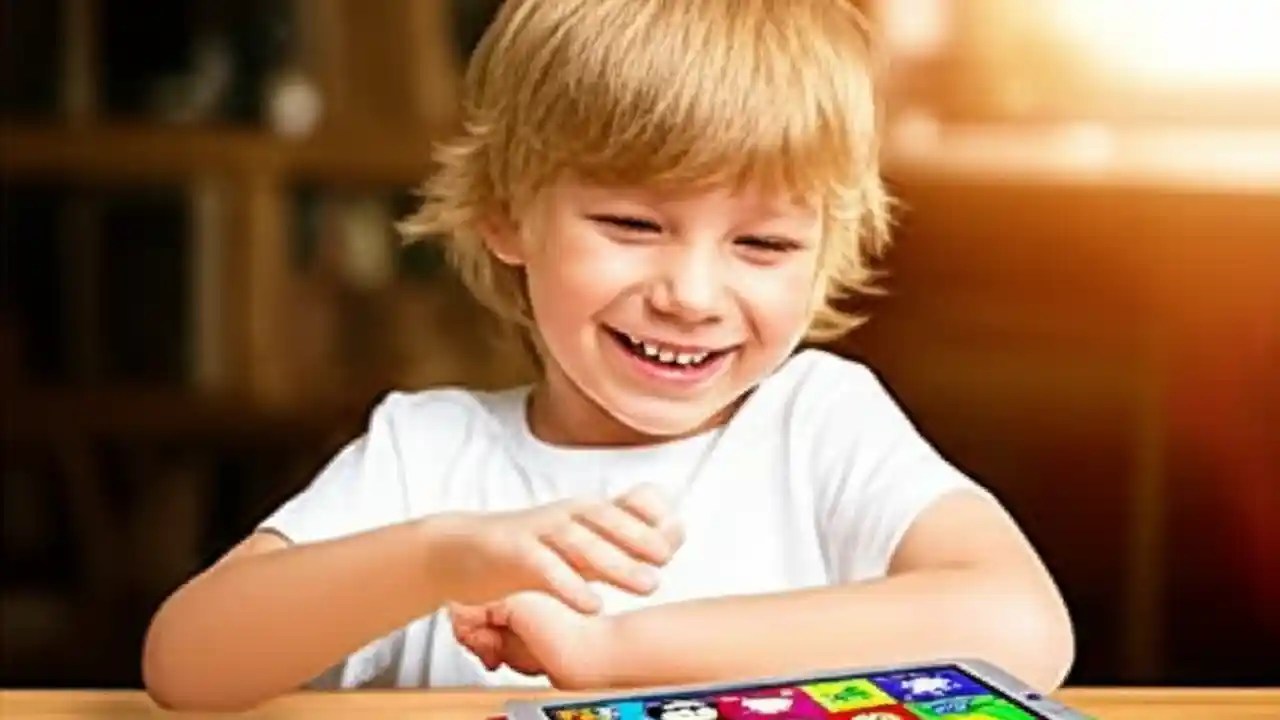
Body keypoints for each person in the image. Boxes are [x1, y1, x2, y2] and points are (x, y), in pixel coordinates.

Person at [141, 0, 1074, 710]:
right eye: (632, 224)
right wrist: (442, 558)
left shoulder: (819, 422)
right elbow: (185, 663)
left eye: (763, 246)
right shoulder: (428, 457)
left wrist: (613, 654)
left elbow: (1023, 627)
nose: (692, 294)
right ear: (508, 212)